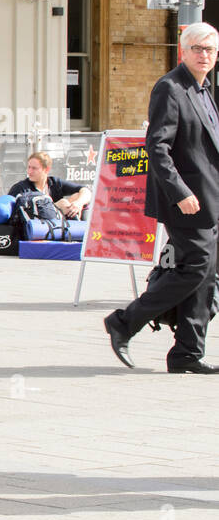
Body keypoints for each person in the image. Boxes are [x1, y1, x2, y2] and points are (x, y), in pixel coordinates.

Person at [105, 21, 219, 374]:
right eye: (197, 48)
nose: (204, 55)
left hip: (211, 200)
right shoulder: (170, 88)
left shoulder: (204, 90)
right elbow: (157, 148)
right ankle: (125, 321)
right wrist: (180, 192)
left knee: (207, 275)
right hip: (185, 201)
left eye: (210, 49)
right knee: (196, 266)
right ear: (182, 51)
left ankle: (187, 353)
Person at [8, 151, 90, 219]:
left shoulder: (54, 183)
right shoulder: (20, 188)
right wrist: (58, 207)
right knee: (63, 203)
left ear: (46, 169)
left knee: (78, 196)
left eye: (34, 168)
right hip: (35, 226)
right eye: (29, 167)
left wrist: (78, 203)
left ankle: (83, 232)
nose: (29, 171)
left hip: (58, 224)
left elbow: (86, 191)